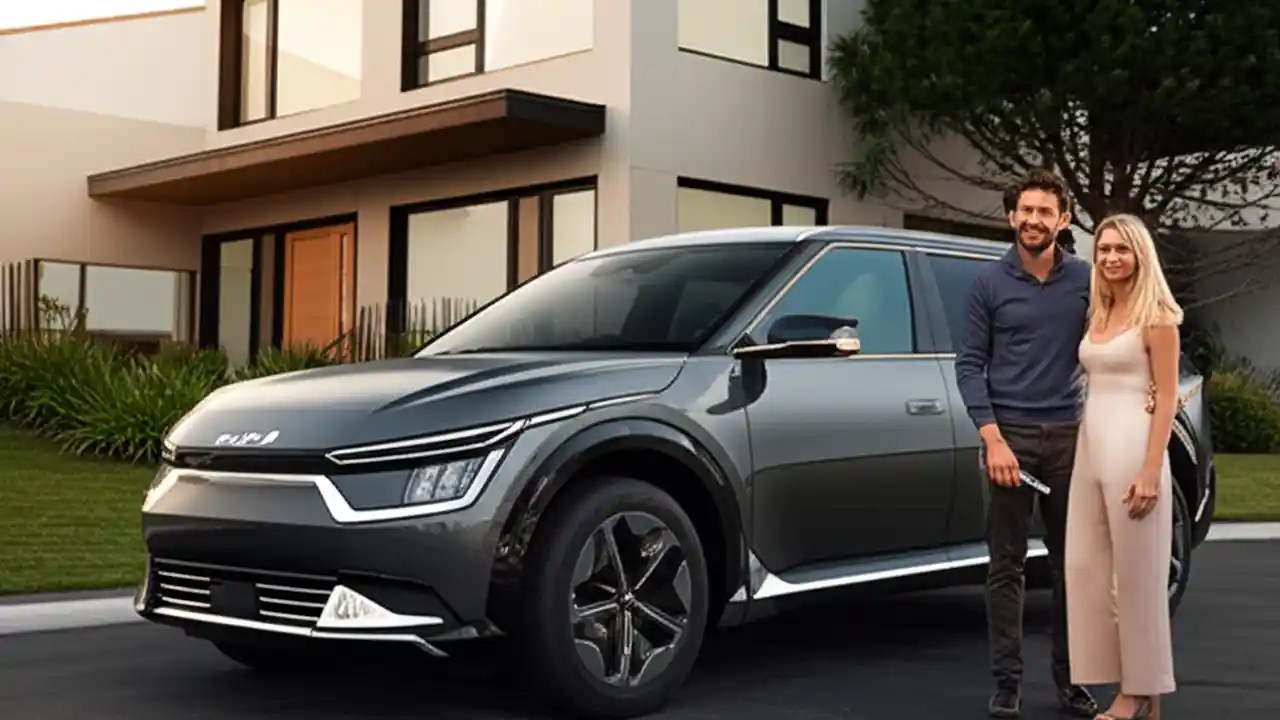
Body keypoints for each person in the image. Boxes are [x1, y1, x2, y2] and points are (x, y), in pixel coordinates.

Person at [956, 168, 1099, 718]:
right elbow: (970, 365)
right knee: (1006, 566)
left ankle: (1073, 682)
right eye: (1026, 210)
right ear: (1010, 216)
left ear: (1062, 220)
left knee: (1073, 567)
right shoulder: (987, 285)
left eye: (1046, 212)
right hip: (1009, 439)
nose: (1034, 220)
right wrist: (993, 439)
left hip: (1071, 439)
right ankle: (1007, 683)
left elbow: (1117, 340)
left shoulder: (1085, 280)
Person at [1065, 213, 1181, 720]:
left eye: (1122, 249)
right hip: (1091, 449)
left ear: (1140, 255)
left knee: (1136, 580)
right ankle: (1142, 695)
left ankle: (1135, 695)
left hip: (1136, 451)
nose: (1111, 257)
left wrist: (1151, 469)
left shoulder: (1157, 317)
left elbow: (1170, 397)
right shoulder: (1100, 311)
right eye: (1104, 248)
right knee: (1086, 568)